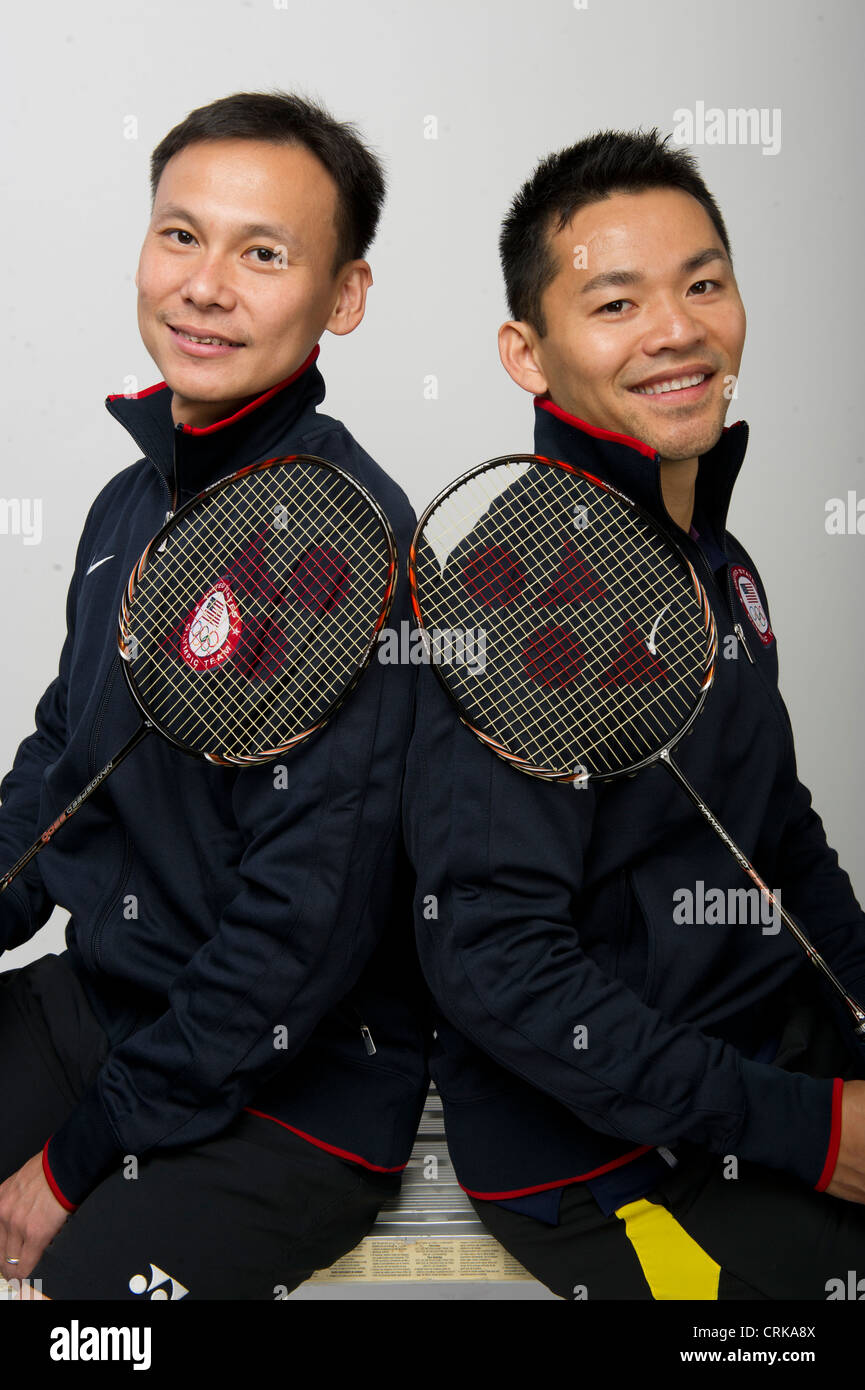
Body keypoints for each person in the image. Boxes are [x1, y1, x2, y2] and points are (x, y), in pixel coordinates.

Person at [403, 128, 865, 1300]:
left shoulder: (716, 557)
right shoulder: (521, 599)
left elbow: (780, 833)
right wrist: (808, 1132)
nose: (677, 329)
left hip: (751, 1059)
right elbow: (499, 968)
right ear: (528, 350)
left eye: (703, 282)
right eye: (615, 302)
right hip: (605, 1162)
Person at [0, 89, 428, 1301]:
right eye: (181, 234)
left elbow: (297, 939)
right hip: (107, 1003)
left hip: (299, 1086)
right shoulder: (127, 506)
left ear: (343, 295)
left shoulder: (358, 554)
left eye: (265, 253)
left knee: (84, 1310)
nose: (205, 284)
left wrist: (73, 1164)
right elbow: (58, 767)